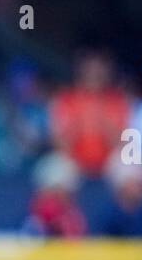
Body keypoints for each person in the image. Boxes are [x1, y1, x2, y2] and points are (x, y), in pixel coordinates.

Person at [48, 48, 130, 178]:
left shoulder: (117, 100)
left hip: (109, 161)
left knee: (130, 170)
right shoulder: (65, 99)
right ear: (81, 71)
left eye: (98, 70)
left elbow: (122, 144)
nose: (94, 74)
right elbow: (59, 144)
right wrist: (81, 120)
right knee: (53, 171)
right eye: (89, 69)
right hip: (73, 160)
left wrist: (101, 119)